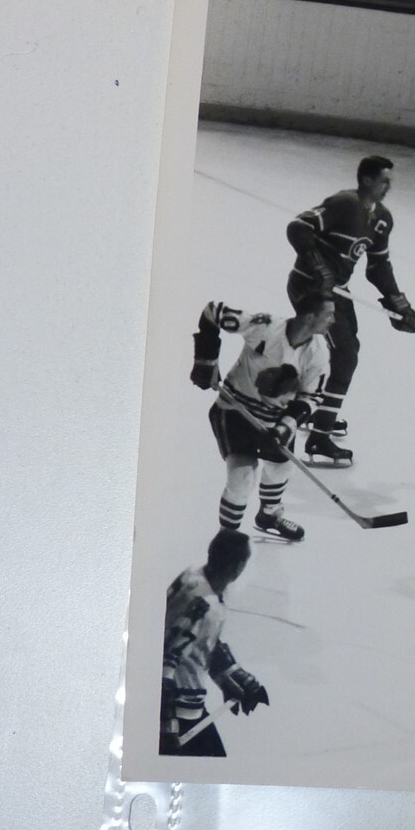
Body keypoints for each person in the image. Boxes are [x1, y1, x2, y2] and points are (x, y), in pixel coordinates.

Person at [285, 154, 415, 467]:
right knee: (346, 354)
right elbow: (297, 227)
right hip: (310, 287)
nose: (389, 186)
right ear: (366, 180)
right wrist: (319, 268)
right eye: (384, 180)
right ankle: (320, 437)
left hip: (338, 291)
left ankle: (320, 413)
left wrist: (399, 304)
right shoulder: (344, 203)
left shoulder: (382, 219)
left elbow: (377, 267)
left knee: (350, 349)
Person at [191, 294, 334, 541]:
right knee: (242, 478)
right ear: (310, 316)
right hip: (235, 411)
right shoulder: (265, 327)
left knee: (281, 469)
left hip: (274, 420)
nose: (332, 320)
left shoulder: (318, 352)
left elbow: (311, 397)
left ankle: (269, 515)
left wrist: (284, 428)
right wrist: (206, 360)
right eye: (328, 314)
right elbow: (212, 312)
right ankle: (227, 541)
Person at [160, 529, 268, 757]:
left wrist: (233, 678)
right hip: (181, 712)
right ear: (238, 568)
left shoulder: (192, 576)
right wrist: (167, 724)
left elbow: (200, 641)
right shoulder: (205, 606)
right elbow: (167, 661)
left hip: (181, 708)